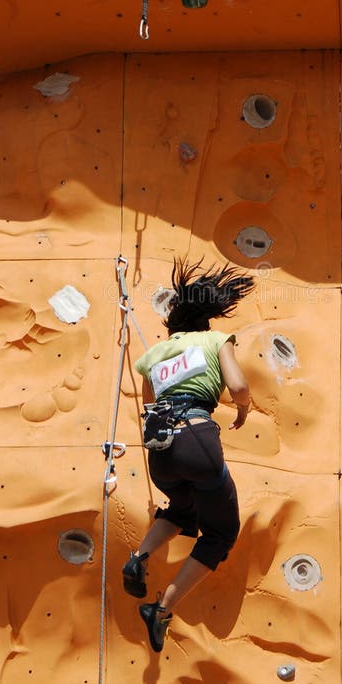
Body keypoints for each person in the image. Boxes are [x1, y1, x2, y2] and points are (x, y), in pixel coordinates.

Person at [122, 258, 254, 652]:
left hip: (161, 452)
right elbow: (238, 384)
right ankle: (160, 610)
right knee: (220, 533)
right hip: (197, 439)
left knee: (181, 512)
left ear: (173, 323)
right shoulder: (216, 340)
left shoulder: (153, 356)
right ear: (206, 319)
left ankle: (140, 557)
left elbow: (147, 408)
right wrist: (244, 408)